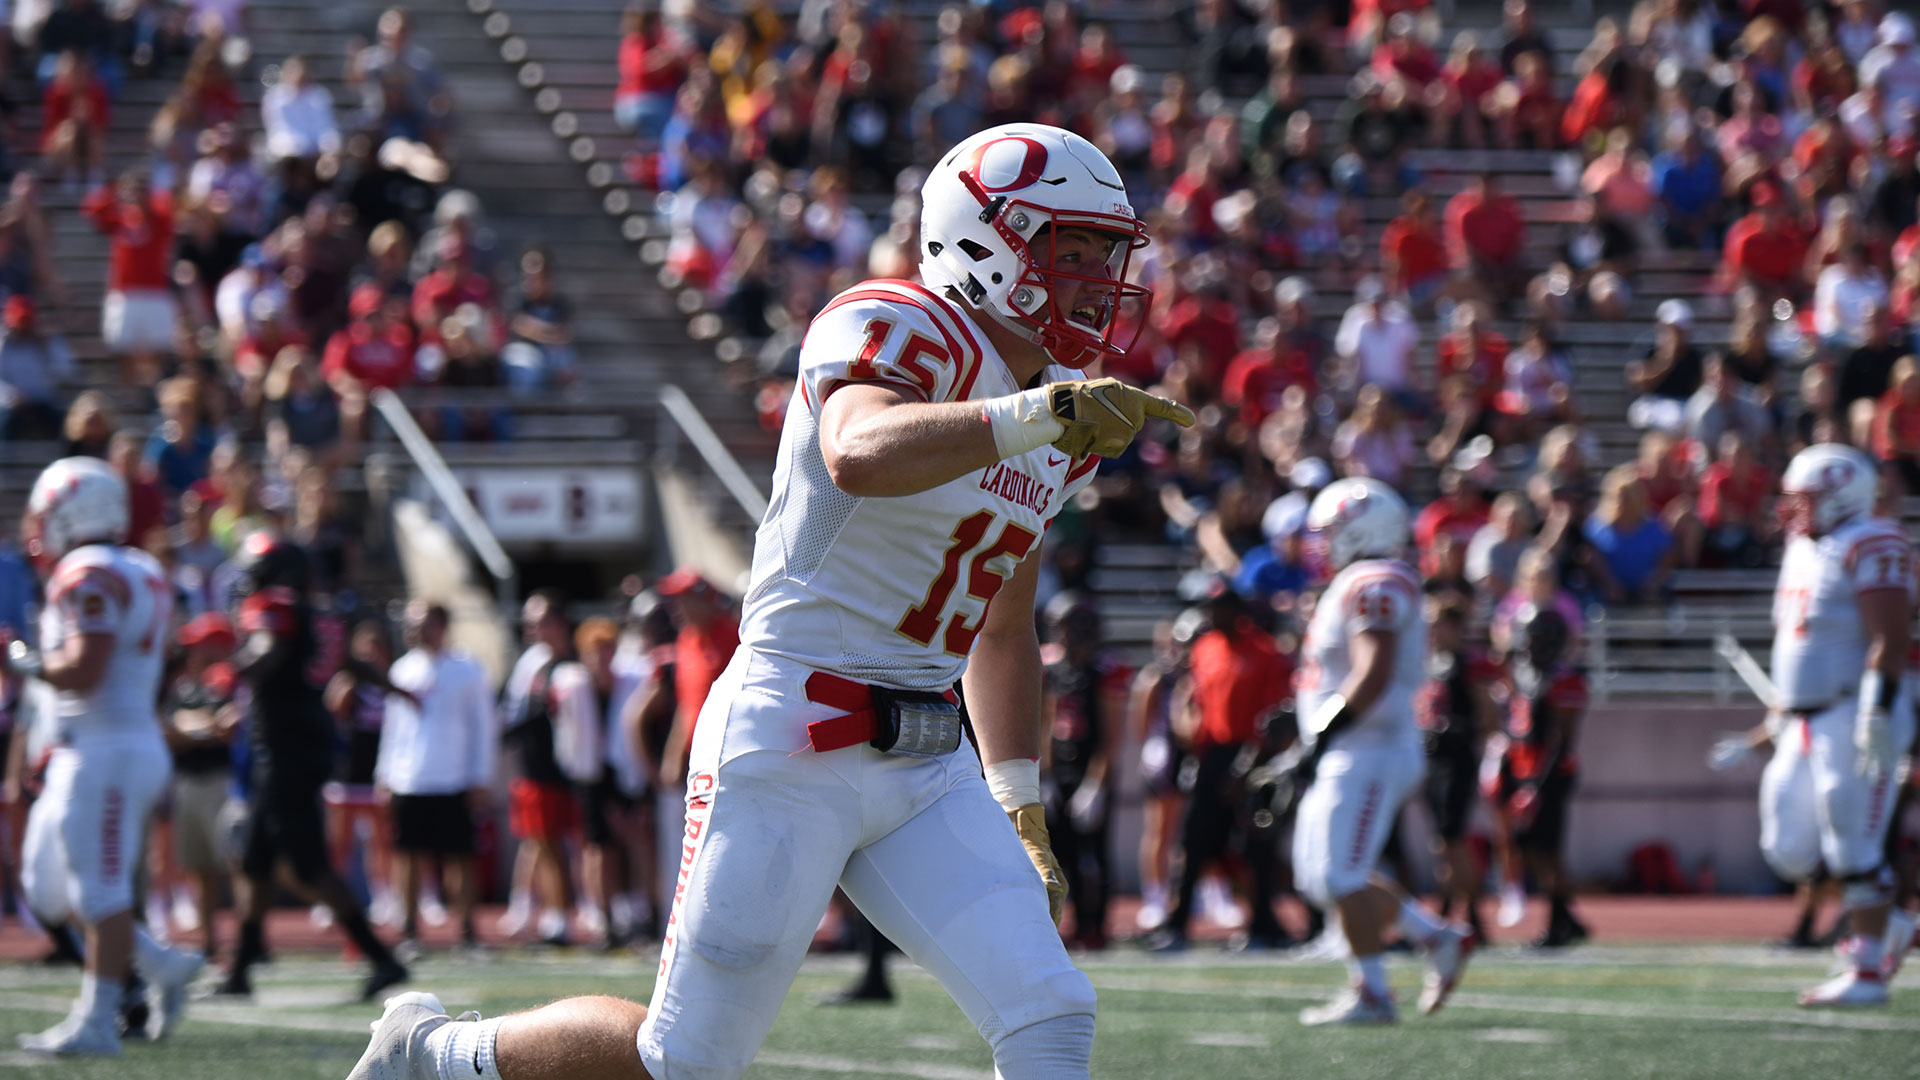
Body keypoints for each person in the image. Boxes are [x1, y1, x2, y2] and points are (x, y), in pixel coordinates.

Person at [349, 121, 1194, 1080]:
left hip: (928, 758)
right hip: (795, 725)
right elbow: (859, 451)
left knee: (1051, 1011)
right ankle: (435, 1054)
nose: (1093, 279)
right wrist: (1038, 413)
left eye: (1104, 254)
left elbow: (1002, 619)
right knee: (684, 1061)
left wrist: (1019, 798)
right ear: (983, 237)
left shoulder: (1057, 412)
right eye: (1068, 248)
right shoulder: (903, 323)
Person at [6, 457, 204, 1054]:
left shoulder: (85, 571)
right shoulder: (139, 566)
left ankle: (98, 1021)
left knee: (99, 890)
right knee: (47, 889)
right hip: (95, 746)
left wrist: (25, 662)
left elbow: (87, 667)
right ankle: (162, 964)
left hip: (107, 747)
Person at [1284, 477, 1474, 1025]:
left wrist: (1319, 734)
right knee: (1321, 878)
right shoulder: (1354, 581)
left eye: (1331, 530)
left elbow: (1374, 670)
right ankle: (1436, 937)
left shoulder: (1377, 578)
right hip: (1350, 746)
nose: (1321, 542)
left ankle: (1374, 992)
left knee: (1341, 875)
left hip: (1369, 747)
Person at [1757, 444, 1918, 1007]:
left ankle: (1868, 969)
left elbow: (1891, 638)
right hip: (1803, 718)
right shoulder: (1804, 548)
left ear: (1842, 493)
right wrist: (1775, 714)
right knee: (1787, 849)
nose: (1794, 510)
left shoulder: (1872, 539)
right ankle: (1892, 921)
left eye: (1806, 498)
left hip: (1854, 711)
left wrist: (1877, 709)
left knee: (1853, 844)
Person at [216, 534, 407, 999]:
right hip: (299, 746)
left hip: (286, 751)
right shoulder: (319, 614)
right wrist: (399, 688)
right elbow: (351, 664)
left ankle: (383, 959)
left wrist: (225, 671)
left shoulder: (278, 608)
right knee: (256, 860)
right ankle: (241, 969)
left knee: (308, 866)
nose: (250, 582)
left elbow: (267, 653)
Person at [377, 602, 495, 955]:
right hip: (410, 779)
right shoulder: (403, 670)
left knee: (460, 857)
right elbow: (393, 729)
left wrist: (479, 776)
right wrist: (385, 776)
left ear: (442, 626)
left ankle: (468, 931)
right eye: (413, 624)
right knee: (408, 856)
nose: (416, 631)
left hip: (453, 778)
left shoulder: (466, 670)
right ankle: (410, 931)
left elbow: (482, 726)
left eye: (424, 624)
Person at [1490, 603, 1591, 948]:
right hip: (1523, 770)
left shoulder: (1565, 679)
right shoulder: (1524, 673)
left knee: (1547, 848)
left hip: (1548, 775)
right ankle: (1565, 917)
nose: (1527, 644)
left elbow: (1561, 742)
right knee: (1528, 846)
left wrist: (1537, 786)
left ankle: (1559, 920)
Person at [1041, 592, 1130, 951]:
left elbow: (1110, 736)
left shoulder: (1103, 672)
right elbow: (1046, 722)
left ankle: (1097, 927)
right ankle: (1072, 923)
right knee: (1061, 854)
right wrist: (1045, 773)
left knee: (1095, 856)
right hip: (1060, 770)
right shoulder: (1053, 670)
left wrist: (1095, 783)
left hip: (1089, 770)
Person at [497, 591, 578, 945]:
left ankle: (566, 914)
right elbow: (516, 714)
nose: (532, 628)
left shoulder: (571, 662)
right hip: (538, 768)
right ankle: (552, 913)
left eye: (540, 620)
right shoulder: (534, 662)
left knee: (563, 845)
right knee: (542, 842)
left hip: (569, 769)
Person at [161, 612, 241, 959]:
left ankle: (248, 943)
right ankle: (210, 944)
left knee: (235, 864)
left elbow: (228, 728)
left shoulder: (232, 680)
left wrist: (191, 727)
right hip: (188, 783)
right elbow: (169, 731)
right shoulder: (186, 685)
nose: (193, 651)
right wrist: (201, 727)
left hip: (223, 781)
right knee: (200, 867)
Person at [1417, 596, 1496, 943]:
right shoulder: (1429, 663)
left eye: (1440, 623)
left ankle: (1472, 914)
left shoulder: (1468, 664)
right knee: (1441, 840)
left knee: (1453, 840)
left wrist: (1461, 732)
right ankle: (1452, 909)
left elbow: (1490, 718)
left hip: (1456, 760)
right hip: (1431, 760)